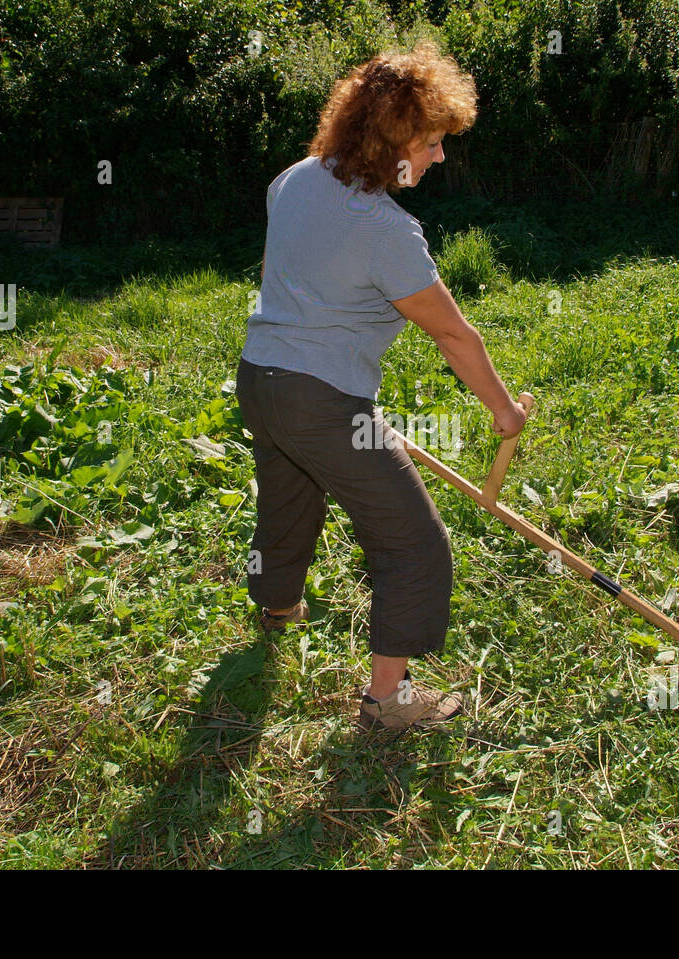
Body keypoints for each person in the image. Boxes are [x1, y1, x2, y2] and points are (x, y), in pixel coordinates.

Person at [236, 40, 527, 730]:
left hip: (260, 380)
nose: (439, 155)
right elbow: (455, 335)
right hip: (319, 402)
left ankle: (278, 607)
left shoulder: (295, 178)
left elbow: (295, 274)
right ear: (393, 143)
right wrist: (505, 412)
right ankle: (388, 701)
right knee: (413, 541)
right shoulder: (390, 232)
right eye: (430, 142)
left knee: (289, 495)